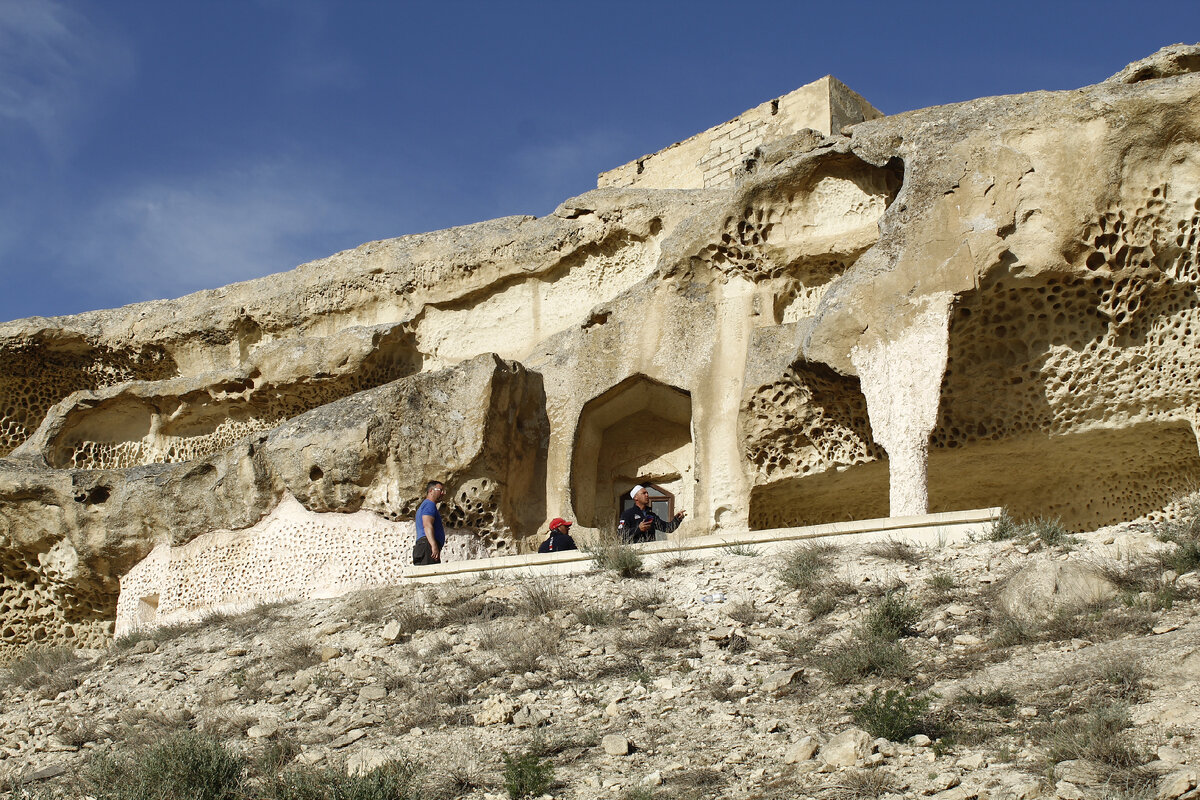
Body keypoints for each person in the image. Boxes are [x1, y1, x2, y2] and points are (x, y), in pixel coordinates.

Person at [618, 484, 686, 543]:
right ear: (636, 497)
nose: (647, 495)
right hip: (634, 553)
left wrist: (677, 519)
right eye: (644, 493)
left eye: (647, 493)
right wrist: (638, 529)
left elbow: (668, 528)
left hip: (650, 553)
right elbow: (621, 534)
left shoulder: (651, 515)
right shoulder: (627, 514)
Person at [413, 480, 446, 565]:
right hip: (427, 546)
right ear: (431, 490)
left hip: (424, 545)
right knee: (430, 576)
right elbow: (427, 525)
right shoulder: (429, 504)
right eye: (440, 490)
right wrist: (433, 545)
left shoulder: (425, 505)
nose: (443, 493)